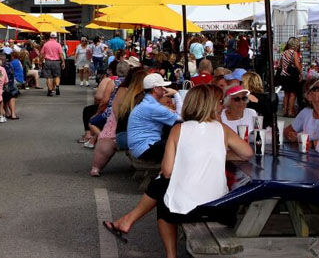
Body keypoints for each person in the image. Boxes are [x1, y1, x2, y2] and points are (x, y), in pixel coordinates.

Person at [103, 85, 253, 257]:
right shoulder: (223, 129)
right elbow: (247, 153)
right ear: (210, 105)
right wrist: (219, 153)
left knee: (163, 194)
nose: (223, 105)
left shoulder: (178, 130)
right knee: (162, 187)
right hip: (219, 208)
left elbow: (167, 171)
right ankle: (127, 222)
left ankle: (170, 254)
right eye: (219, 102)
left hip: (186, 210)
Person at [127, 74, 182, 162]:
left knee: (173, 134)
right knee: (181, 142)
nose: (165, 88)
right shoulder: (153, 107)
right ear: (155, 89)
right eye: (162, 86)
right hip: (145, 149)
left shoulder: (147, 103)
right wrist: (176, 94)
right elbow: (181, 119)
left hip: (139, 148)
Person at [284, 79, 319, 144]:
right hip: (307, 153)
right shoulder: (305, 113)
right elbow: (286, 131)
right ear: (308, 96)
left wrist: (309, 143)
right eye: (317, 89)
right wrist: (291, 136)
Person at [277, 37, 303, 117]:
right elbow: (296, 64)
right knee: (293, 94)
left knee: (286, 94)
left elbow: (280, 64)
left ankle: (284, 110)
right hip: (292, 76)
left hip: (284, 75)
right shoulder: (294, 53)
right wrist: (301, 71)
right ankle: (290, 111)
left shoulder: (284, 52)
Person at [40, 32, 65, 97]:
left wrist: (40, 61)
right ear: (56, 37)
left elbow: (42, 54)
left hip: (48, 61)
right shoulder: (58, 44)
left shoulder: (45, 44)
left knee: (48, 77)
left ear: (50, 37)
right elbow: (61, 54)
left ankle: (50, 91)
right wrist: (63, 62)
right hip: (56, 62)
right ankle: (57, 87)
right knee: (57, 76)